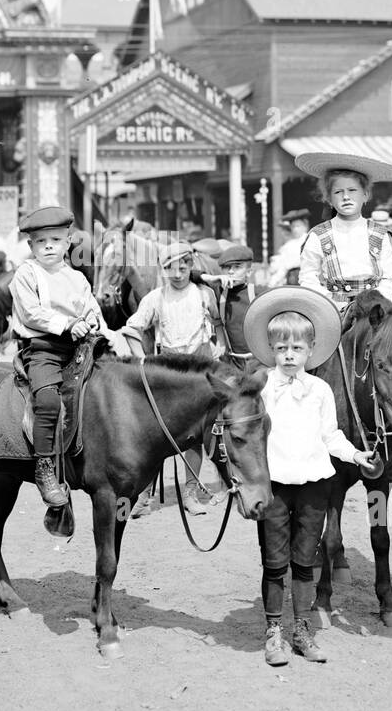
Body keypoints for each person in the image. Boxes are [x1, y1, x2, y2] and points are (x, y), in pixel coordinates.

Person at [242, 287, 381, 666]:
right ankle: (274, 631)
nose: (289, 355)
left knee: (305, 561)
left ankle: (301, 629)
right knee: (274, 562)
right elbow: (248, 436)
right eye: (282, 348)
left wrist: (356, 455)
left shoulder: (320, 390)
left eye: (297, 348)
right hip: (275, 488)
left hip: (315, 486)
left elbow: (330, 435)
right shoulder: (261, 387)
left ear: (311, 350)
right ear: (271, 349)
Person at [7, 206, 127, 509]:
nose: (49, 246)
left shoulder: (77, 278)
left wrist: (103, 330)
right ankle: (44, 465)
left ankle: (111, 453)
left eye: (56, 240)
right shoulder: (26, 273)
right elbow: (31, 313)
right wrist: (68, 324)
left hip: (79, 350)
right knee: (47, 400)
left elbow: (91, 310)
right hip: (44, 349)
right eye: (41, 241)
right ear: (31, 246)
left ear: (67, 243)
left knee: (113, 390)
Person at [123, 239, 222, 515]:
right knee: (156, 435)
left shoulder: (204, 294)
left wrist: (219, 347)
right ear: (163, 270)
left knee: (195, 434)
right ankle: (143, 497)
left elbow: (218, 323)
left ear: (191, 265)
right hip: (168, 372)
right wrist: (141, 359)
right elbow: (132, 328)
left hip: (199, 370)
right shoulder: (154, 298)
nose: (177, 274)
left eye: (182, 267)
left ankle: (190, 493)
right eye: (170, 269)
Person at [295, 153, 392, 311]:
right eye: (338, 192)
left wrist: (377, 300)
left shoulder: (381, 234)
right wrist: (329, 302)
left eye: (352, 190)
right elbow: (308, 277)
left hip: (374, 308)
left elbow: (389, 277)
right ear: (329, 199)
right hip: (333, 308)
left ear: (365, 195)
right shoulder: (318, 235)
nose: (346, 197)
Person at [206, 243, 257, 371]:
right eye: (226, 267)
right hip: (233, 362)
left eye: (237, 267)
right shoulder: (218, 292)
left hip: (259, 362)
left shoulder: (258, 292)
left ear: (249, 272)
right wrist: (213, 278)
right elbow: (192, 276)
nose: (231, 271)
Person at [269, 209, 311, 285]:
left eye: (298, 226)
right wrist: (274, 281)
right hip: (291, 279)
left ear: (305, 227)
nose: (295, 229)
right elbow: (283, 267)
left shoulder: (310, 241)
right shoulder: (288, 245)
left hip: (308, 278)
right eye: (293, 227)